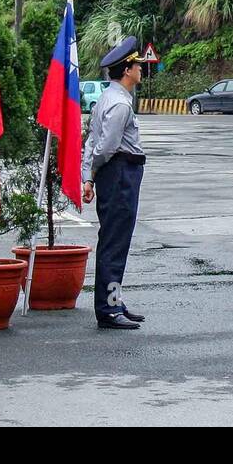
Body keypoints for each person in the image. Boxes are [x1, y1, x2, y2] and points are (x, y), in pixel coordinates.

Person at [82, 36, 147, 329]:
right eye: (137, 66)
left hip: (115, 173)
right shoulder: (119, 104)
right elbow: (105, 147)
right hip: (120, 173)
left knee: (113, 240)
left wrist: (88, 177)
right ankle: (108, 309)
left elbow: (92, 141)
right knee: (115, 243)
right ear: (126, 70)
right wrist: (92, 173)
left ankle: (114, 301)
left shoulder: (108, 99)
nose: (141, 70)